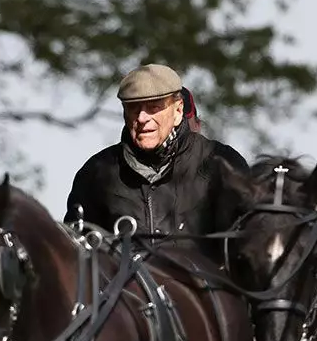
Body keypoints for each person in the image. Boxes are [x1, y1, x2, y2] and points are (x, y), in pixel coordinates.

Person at [63, 64, 250, 242]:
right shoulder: (96, 174)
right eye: (134, 108)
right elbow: (75, 259)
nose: (142, 118)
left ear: (178, 111)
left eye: (154, 108)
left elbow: (250, 247)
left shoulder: (222, 163)